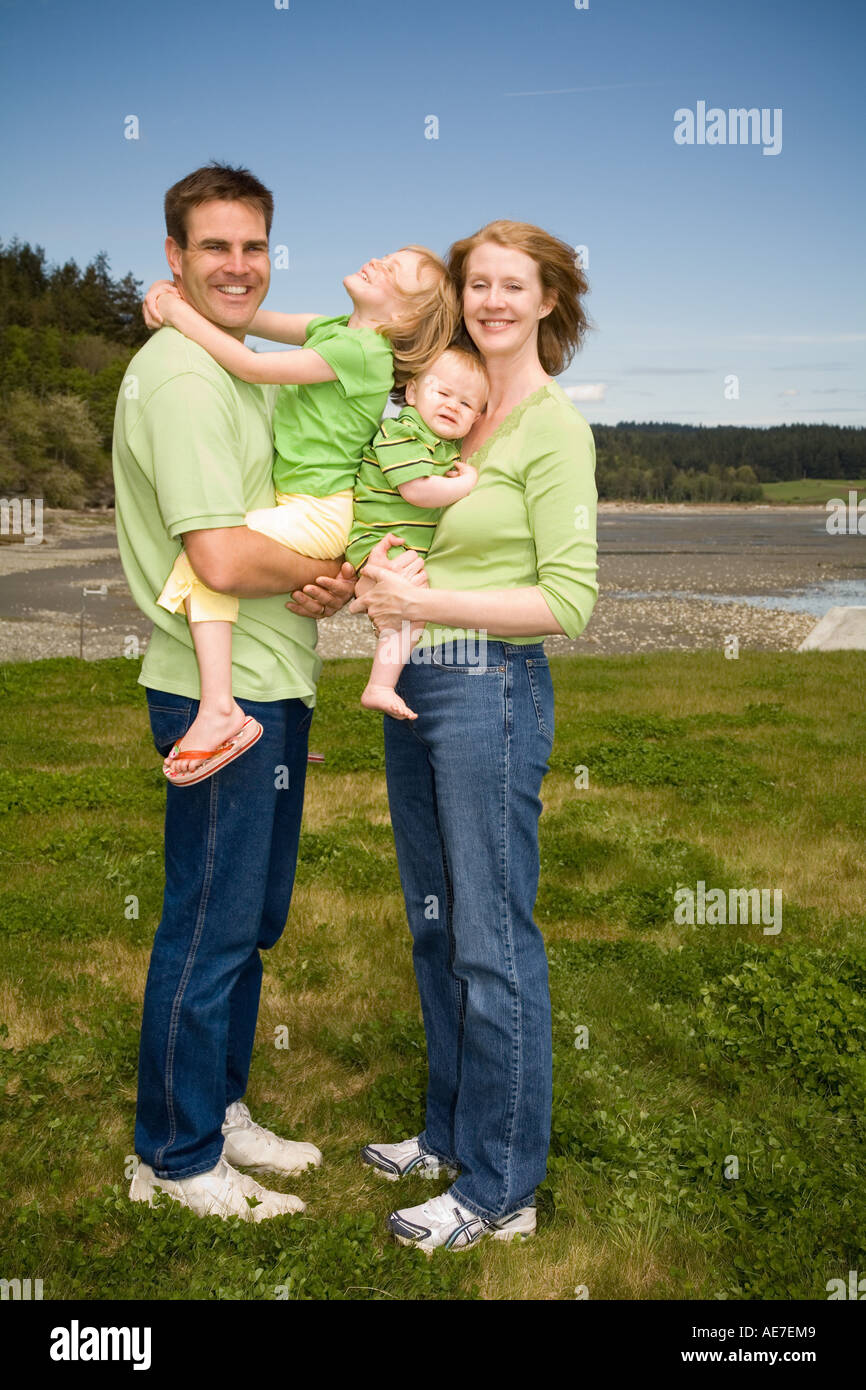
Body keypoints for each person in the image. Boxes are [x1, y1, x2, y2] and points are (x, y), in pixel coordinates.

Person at [112, 161, 415, 1221]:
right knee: (207, 922)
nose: (236, 266)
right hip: (217, 688)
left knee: (249, 920)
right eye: (214, 248)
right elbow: (222, 557)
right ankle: (175, 1156)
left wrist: (325, 581)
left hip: (270, 679)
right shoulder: (189, 376)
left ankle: (220, 1103)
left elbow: (274, 539)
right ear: (174, 258)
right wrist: (308, 572)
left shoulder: (241, 367)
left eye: (252, 247)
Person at [351, 220, 599, 1251]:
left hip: (488, 687)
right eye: (477, 283)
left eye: (514, 285)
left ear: (548, 302)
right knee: (434, 921)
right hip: (416, 683)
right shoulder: (451, 408)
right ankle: (450, 1133)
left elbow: (568, 601)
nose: (492, 300)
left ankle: (500, 1188)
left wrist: (429, 596)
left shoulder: (552, 427)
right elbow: (397, 527)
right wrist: (358, 579)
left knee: (492, 943)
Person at [140, 241, 455, 781]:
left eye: (396, 273)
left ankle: (220, 712)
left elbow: (249, 365)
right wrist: (173, 291)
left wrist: (173, 311)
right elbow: (245, 316)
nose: (378, 261)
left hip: (322, 510)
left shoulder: (364, 353)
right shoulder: (336, 329)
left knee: (211, 561)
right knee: (216, 559)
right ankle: (251, 719)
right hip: (303, 501)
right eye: (387, 255)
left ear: (403, 316)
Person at [346, 347, 488, 719]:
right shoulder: (402, 432)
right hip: (382, 541)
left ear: (477, 417)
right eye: (441, 393)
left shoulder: (441, 444)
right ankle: (379, 686)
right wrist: (467, 483)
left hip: (396, 544)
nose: (452, 405)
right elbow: (418, 490)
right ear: (411, 393)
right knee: (412, 613)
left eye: (466, 403)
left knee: (402, 614)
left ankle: (380, 672)